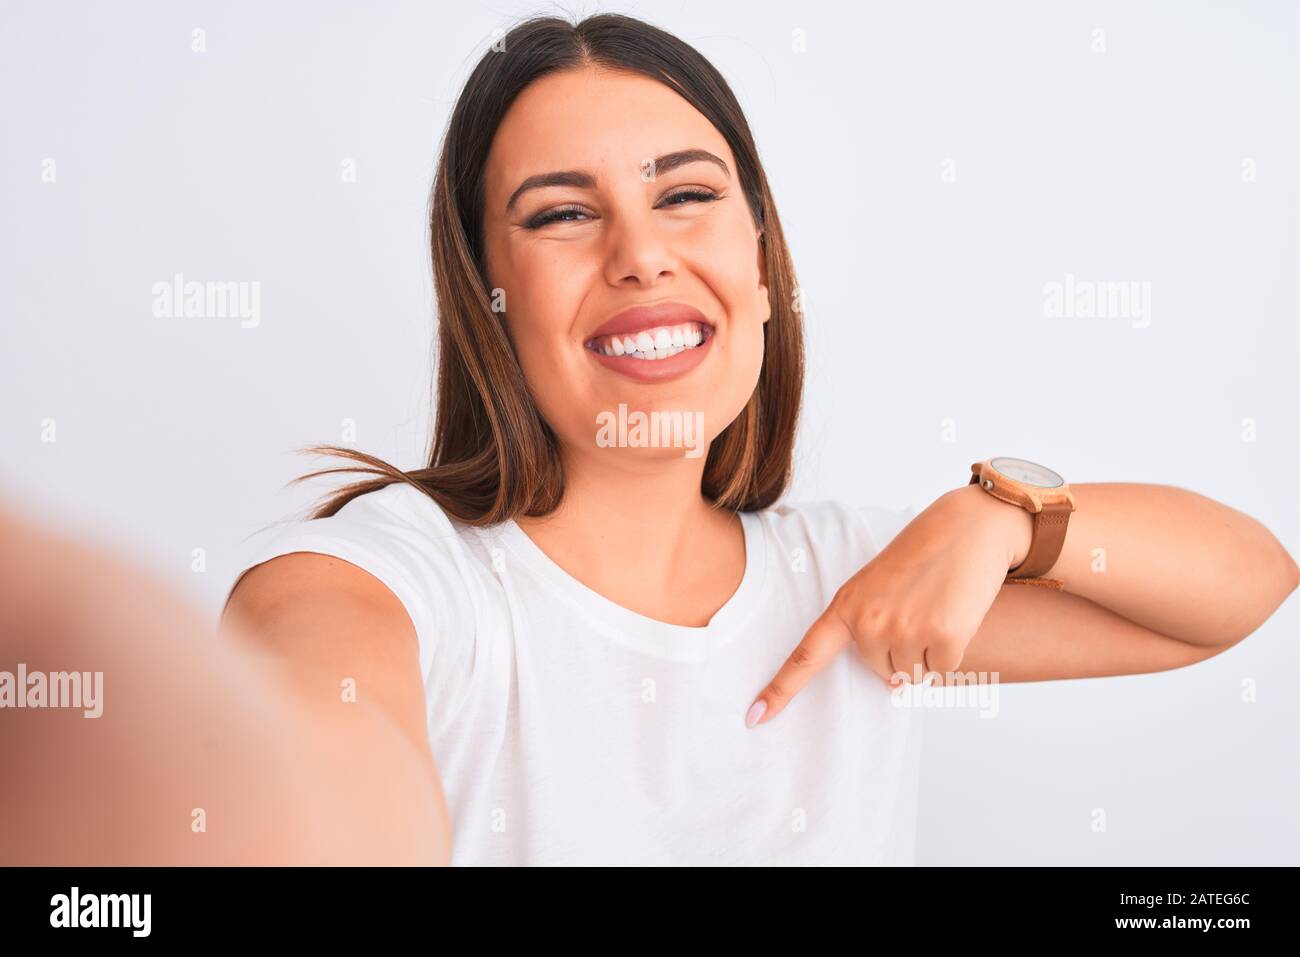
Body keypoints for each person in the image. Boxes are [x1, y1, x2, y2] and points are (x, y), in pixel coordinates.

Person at [224, 13, 1295, 864]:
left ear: (761, 259)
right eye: (561, 214)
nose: (641, 254)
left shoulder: (843, 584)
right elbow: (313, 772)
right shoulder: (392, 580)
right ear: (484, 290)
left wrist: (1000, 519)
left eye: (685, 194)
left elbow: (1244, 587)